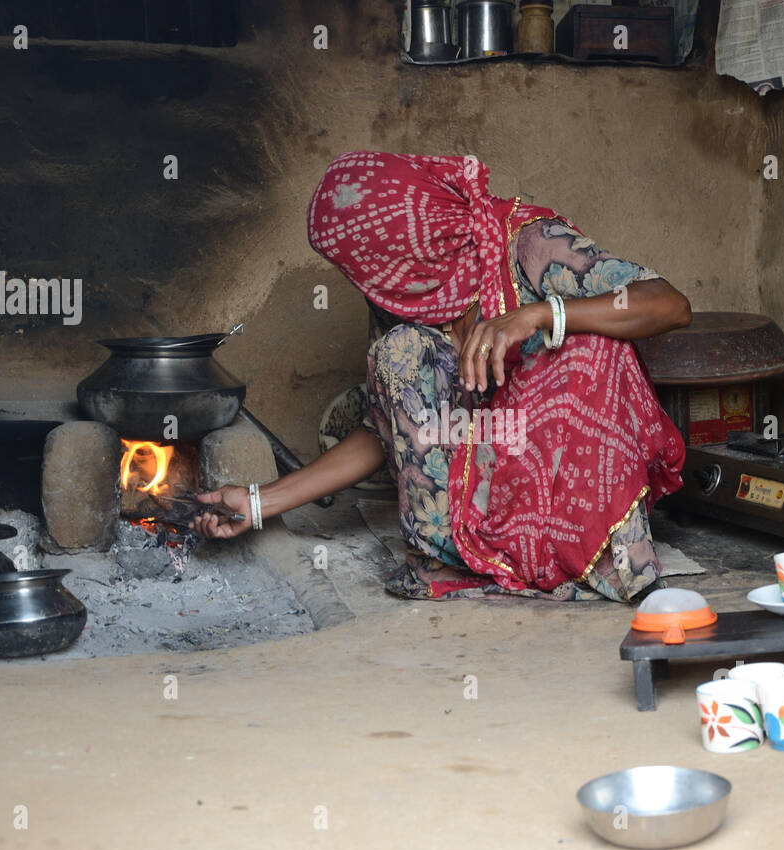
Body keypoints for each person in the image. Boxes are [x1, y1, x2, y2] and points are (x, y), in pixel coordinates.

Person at [192, 151, 689, 602]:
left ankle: (598, 555)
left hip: (564, 487)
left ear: (405, 241)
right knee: (399, 351)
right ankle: (455, 561)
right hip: (483, 483)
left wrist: (536, 316)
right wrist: (258, 503)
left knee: (592, 341)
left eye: (366, 263)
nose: (364, 279)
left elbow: (669, 305)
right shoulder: (402, 295)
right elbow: (386, 426)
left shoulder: (528, 246)